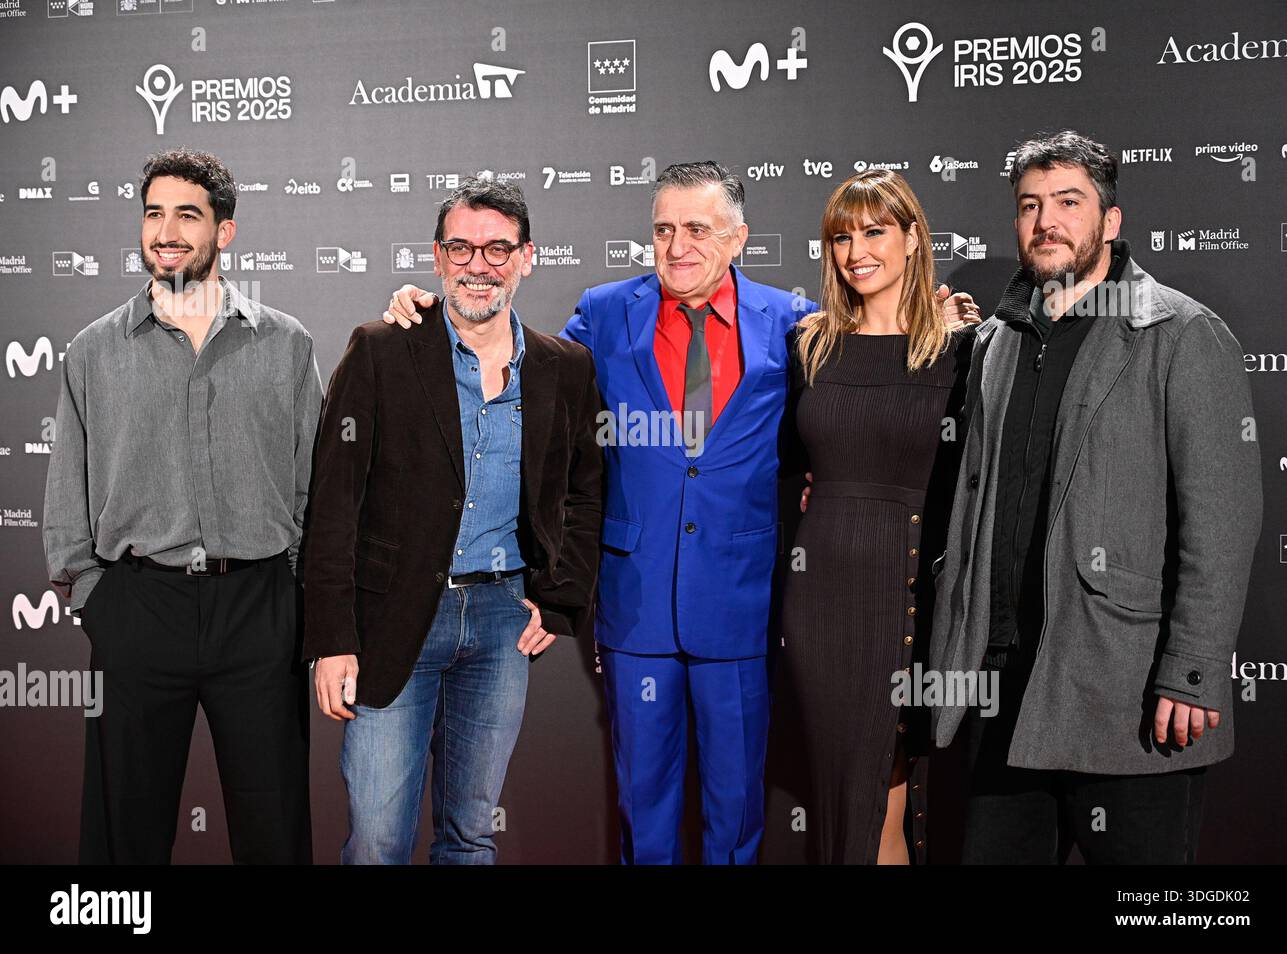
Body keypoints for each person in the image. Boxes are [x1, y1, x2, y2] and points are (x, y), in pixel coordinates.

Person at [383, 161, 976, 865]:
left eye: (697, 229)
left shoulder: (792, 325)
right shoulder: (605, 312)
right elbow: (528, 369)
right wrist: (438, 313)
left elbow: (862, 398)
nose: (677, 245)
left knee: (736, 817)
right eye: (663, 229)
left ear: (738, 238)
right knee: (647, 813)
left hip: (744, 601)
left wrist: (943, 321)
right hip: (638, 606)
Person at [928, 130, 1262, 864]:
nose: (1046, 221)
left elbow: (1221, 523)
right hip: (997, 688)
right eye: (1030, 205)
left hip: (1129, 689)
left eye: (1068, 202)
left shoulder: (1182, 334)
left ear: (1111, 221)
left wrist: (1193, 669)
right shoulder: (994, 344)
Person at [303, 176, 602, 864]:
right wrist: (332, 638)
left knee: (469, 836)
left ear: (528, 257)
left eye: (499, 250)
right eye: (461, 248)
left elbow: (587, 493)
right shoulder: (382, 348)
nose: (479, 265)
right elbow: (334, 502)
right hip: (394, 617)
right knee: (378, 839)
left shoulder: (566, 367)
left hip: (501, 621)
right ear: (437, 259)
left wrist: (557, 602)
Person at [43, 147, 321, 864]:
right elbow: (67, 494)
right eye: (154, 213)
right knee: (122, 835)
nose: (166, 230)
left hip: (259, 612)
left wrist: (289, 590)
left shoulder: (286, 345)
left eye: (187, 215)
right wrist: (95, 595)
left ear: (224, 232)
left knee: (276, 829)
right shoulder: (92, 351)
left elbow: (312, 484)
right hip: (138, 608)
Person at [783, 169, 977, 865]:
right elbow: (785, 465)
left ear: (913, 239)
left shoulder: (957, 350)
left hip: (905, 588)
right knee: (844, 791)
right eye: (841, 236)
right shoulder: (811, 344)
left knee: (881, 793)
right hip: (819, 594)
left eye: (874, 231)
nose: (856, 250)